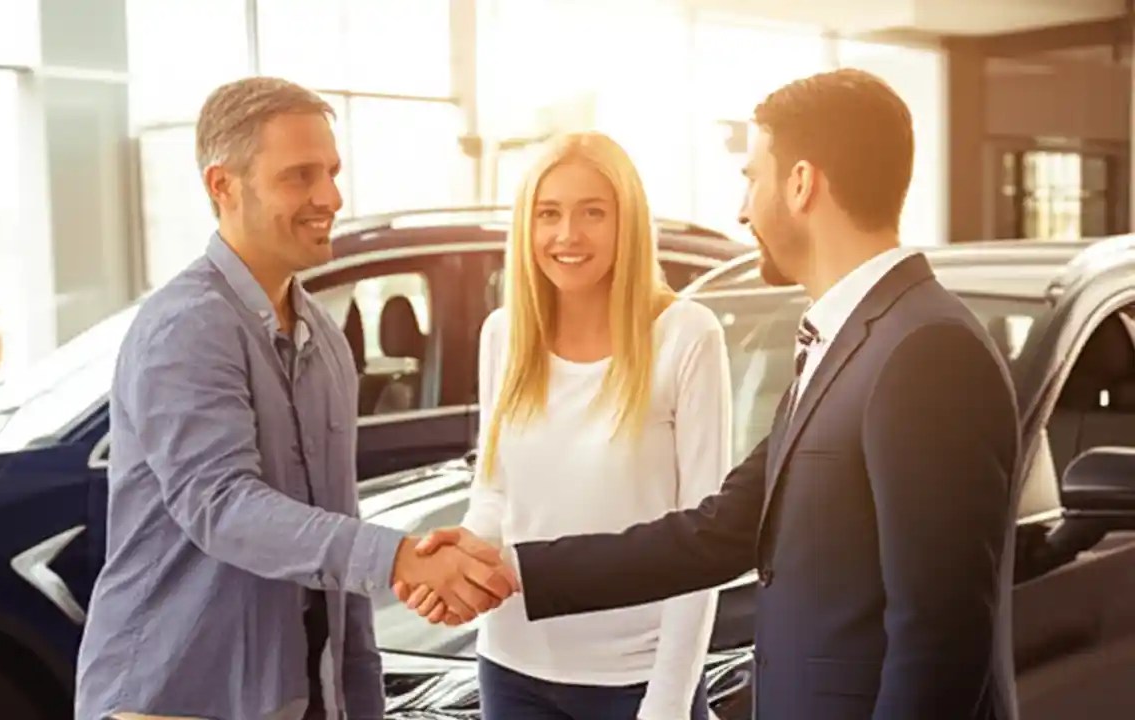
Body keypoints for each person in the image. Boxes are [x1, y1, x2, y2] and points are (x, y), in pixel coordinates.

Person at [402, 69, 1022, 720]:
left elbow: (941, 643)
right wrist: (511, 568)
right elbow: (718, 532)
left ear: (803, 183)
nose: (742, 209)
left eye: (752, 177)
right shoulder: (849, 339)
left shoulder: (926, 352)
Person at [74, 76, 515, 720]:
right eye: (300, 176)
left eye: (332, 172)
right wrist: (399, 559)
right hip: (175, 698)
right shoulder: (189, 326)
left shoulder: (323, 335)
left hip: (295, 694)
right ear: (222, 186)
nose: (330, 197)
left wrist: (358, 698)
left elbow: (333, 529)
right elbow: (223, 505)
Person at [402, 132, 731, 719]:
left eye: (593, 213)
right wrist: (461, 567)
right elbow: (496, 494)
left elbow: (703, 541)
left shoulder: (687, 335)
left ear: (627, 222)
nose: (567, 235)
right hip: (512, 670)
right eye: (548, 214)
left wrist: (671, 699)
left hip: (639, 679)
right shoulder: (503, 334)